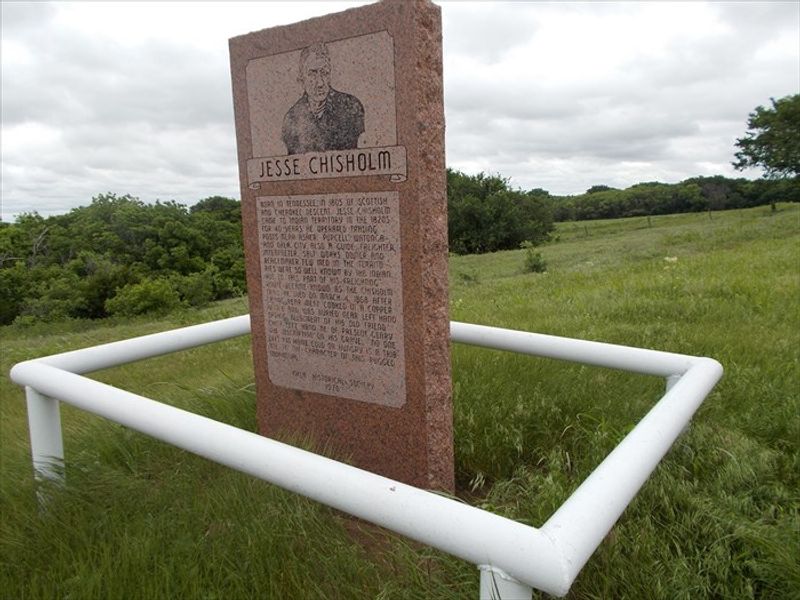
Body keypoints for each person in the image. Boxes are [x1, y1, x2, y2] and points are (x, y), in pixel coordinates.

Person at [281, 42, 365, 155]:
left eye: (324, 73)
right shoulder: (291, 118)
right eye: (312, 74)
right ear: (301, 79)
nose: (320, 83)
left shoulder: (350, 107)